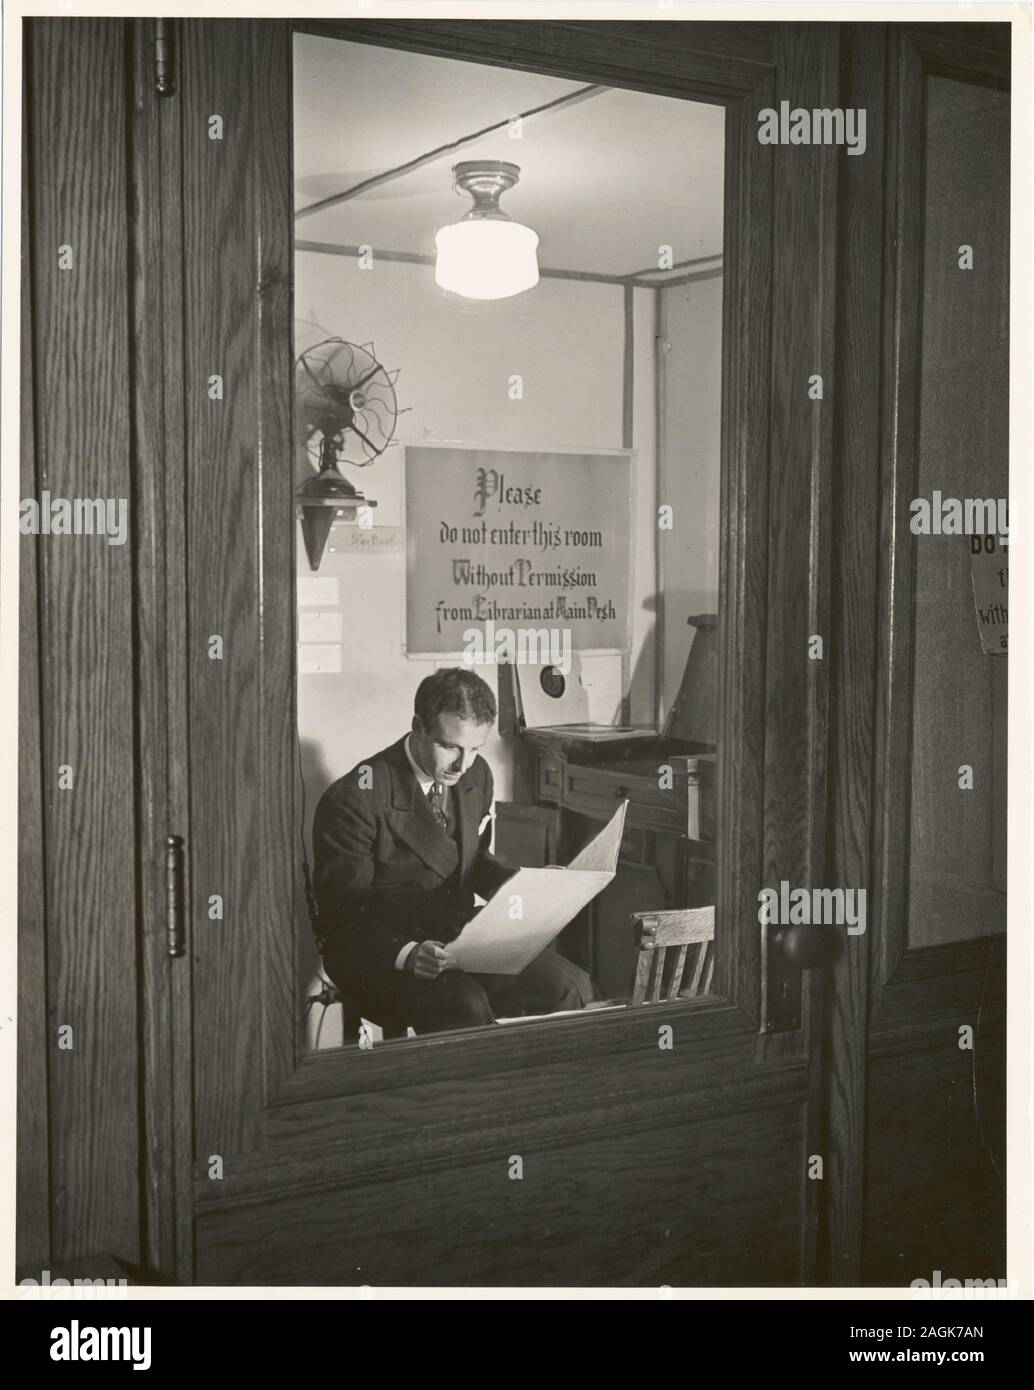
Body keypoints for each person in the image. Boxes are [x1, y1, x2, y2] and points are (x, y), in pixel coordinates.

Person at [312, 667, 597, 1035]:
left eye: (475, 749)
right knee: (464, 1006)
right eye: (449, 747)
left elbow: (471, 861)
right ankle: (476, 1094)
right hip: (381, 950)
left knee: (570, 986)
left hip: (459, 937)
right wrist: (408, 952)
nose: (462, 765)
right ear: (417, 727)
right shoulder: (355, 797)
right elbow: (344, 917)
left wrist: (531, 887)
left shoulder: (476, 776)